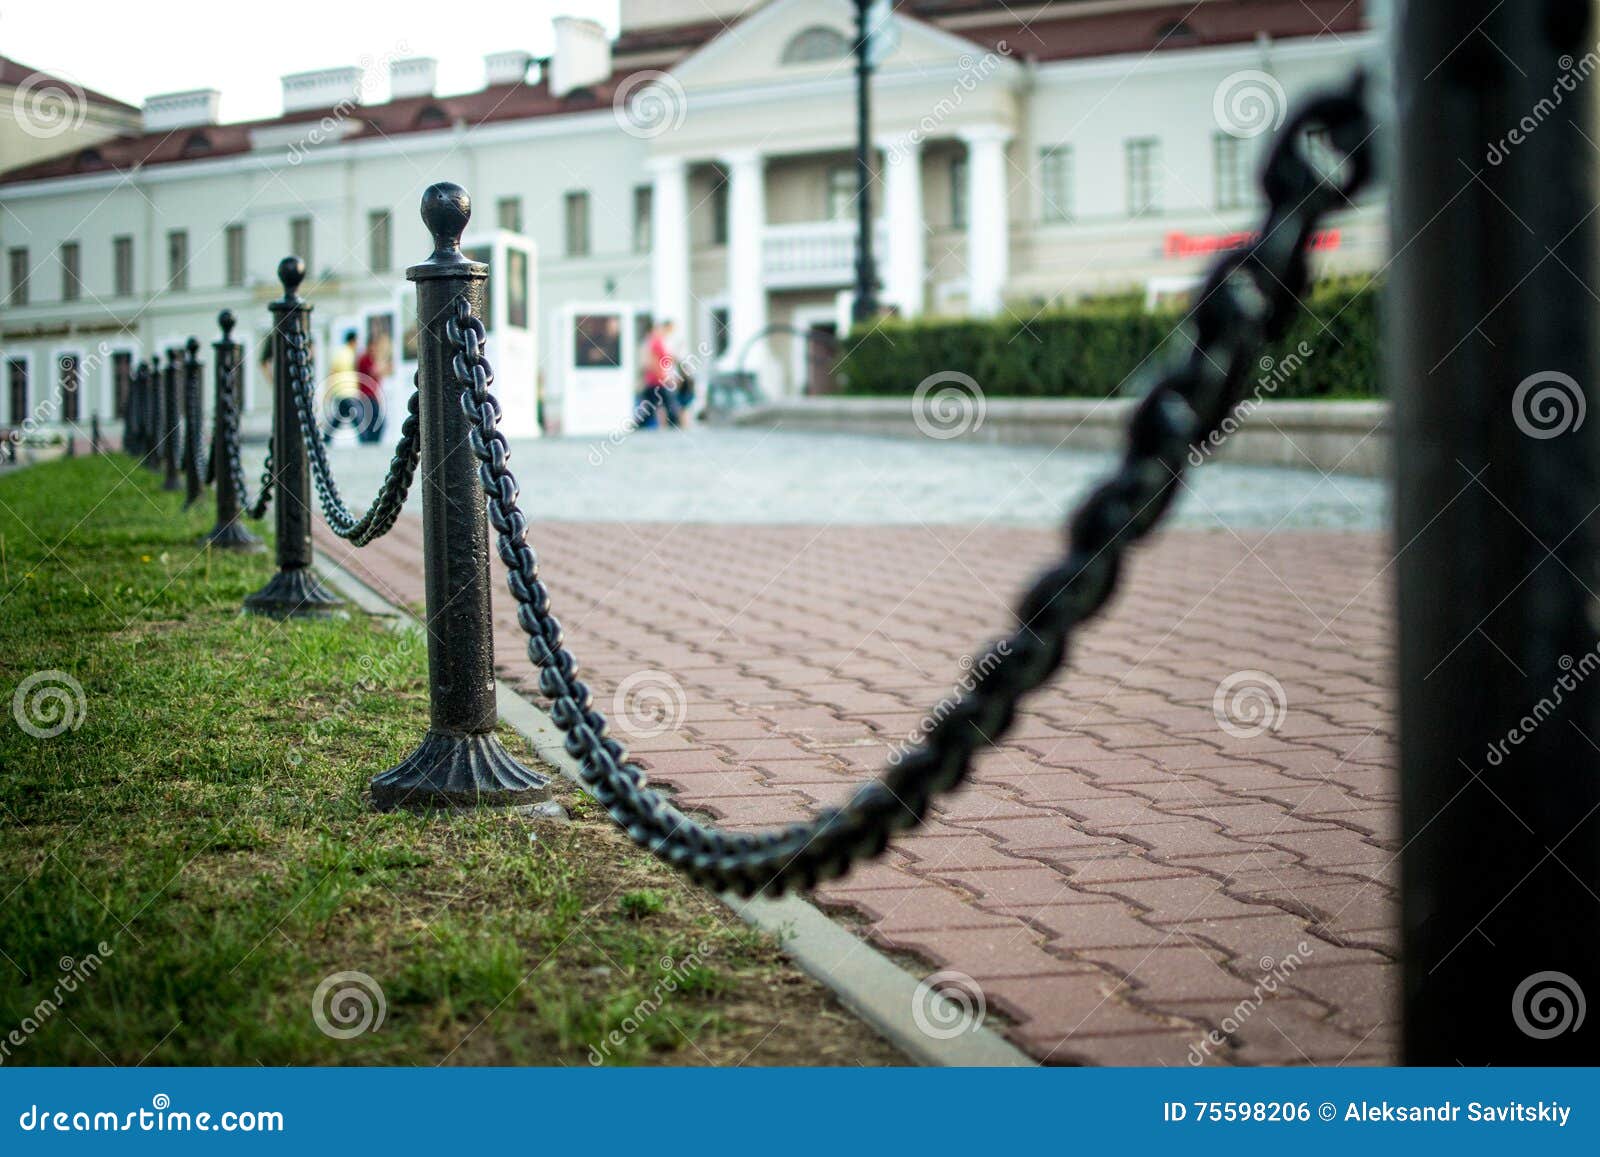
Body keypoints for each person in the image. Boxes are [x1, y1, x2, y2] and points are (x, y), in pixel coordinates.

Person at [638, 319, 681, 430]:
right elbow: (653, 361)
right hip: (658, 379)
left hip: (657, 378)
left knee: (655, 403)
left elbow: (664, 359)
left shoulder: (657, 342)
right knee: (667, 403)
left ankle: (663, 425)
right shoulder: (655, 342)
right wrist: (664, 376)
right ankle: (672, 425)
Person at [356, 332, 385, 442]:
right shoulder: (365, 359)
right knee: (374, 419)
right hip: (367, 395)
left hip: (372, 394)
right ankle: (370, 441)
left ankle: (372, 441)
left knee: (375, 420)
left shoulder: (371, 358)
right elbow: (374, 372)